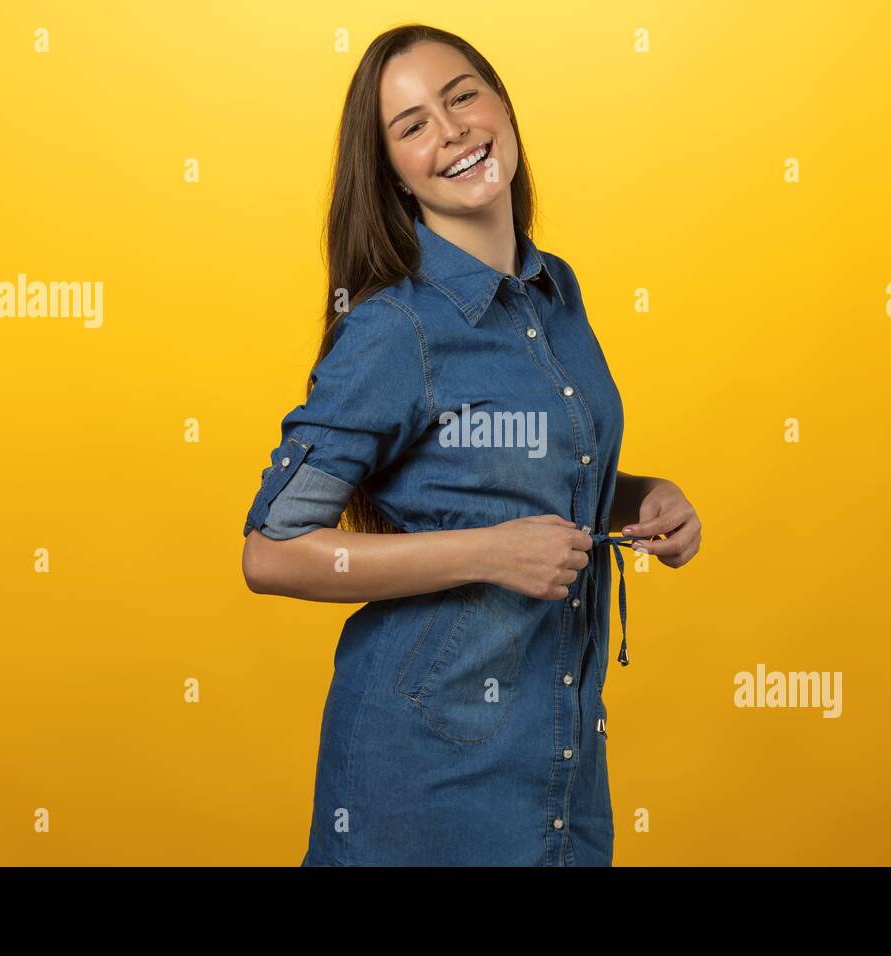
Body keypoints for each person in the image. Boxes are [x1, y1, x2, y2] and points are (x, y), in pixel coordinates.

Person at [241, 24, 701, 866]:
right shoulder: (394, 330)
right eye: (412, 125)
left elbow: (534, 474)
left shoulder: (557, 291)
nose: (451, 131)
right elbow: (270, 551)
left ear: (501, 106)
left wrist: (642, 498)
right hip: (422, 772)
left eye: (462, 96)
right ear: (391, 173)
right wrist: (490, 553)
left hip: (557, 751)